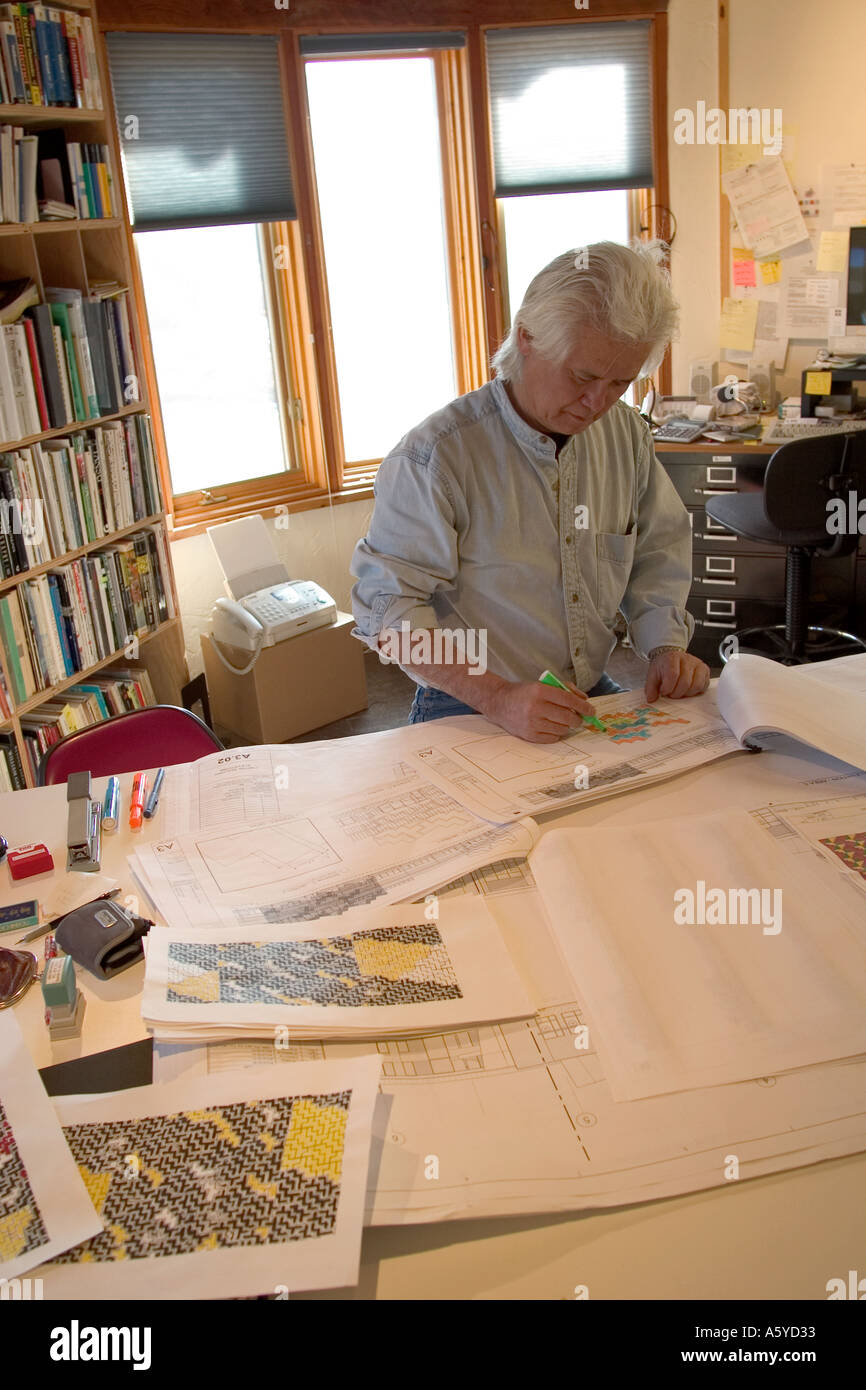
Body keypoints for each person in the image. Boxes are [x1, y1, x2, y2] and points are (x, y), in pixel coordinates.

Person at [351, 241, 710, 744]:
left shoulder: (626, 435)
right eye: (583, 376)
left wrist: (665, 646)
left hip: (581, 691)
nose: (597, 402)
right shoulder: (436, 457)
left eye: (619, 383)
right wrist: (498, 696)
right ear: (527, 338)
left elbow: (657, 550)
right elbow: (386, 611)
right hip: (466, 698)